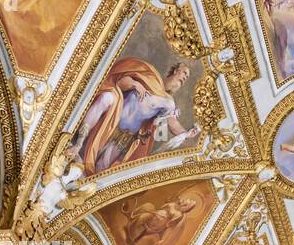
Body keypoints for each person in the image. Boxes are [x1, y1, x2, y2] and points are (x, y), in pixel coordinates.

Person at [71, 59, 201, 175]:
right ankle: (77, 143)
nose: (185, 78)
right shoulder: (149, 77)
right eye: (184, 73)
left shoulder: (168, 102)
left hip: (123, 138)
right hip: (110, 119)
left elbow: (172, 123)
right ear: (176, 70)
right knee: (106, 98)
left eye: (187, 77)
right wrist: (135, 84)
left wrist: (186, 133)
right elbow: (120, 82)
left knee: (98, 170)